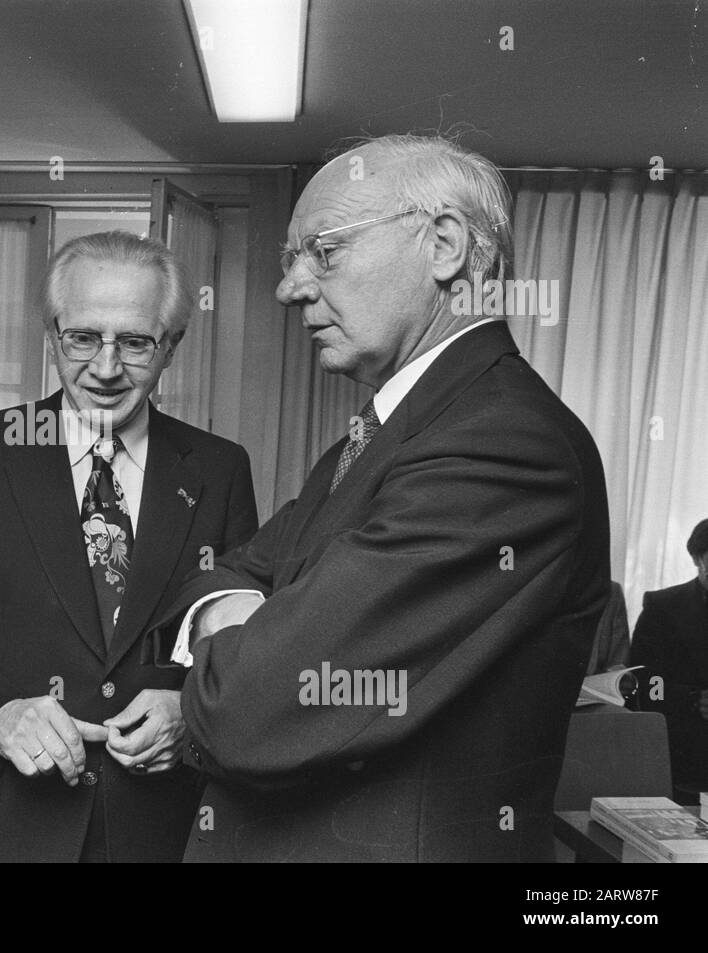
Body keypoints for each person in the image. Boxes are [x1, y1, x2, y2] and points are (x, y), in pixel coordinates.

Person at [162, 135, 611, 862]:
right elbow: (233, 567)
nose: (291, 287)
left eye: (325, 252)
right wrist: (231, 611)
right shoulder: (386, 430)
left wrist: (259, 629)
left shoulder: (504, 443)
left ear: (444, 246)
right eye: (290, 260)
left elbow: (253, 705)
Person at [0, 231, 258, 861]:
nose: (106, 369)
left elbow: (239, 645)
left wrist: (190, 712)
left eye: (135, 342)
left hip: (158, 829)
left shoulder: (219, 469)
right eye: (83, 338)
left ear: (172, 347)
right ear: (53, 336)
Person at [629, 519, 708, 789]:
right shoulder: (662, 608)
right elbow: (644, 685)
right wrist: (694, 699)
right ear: (698, 559)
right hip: (685, 760)